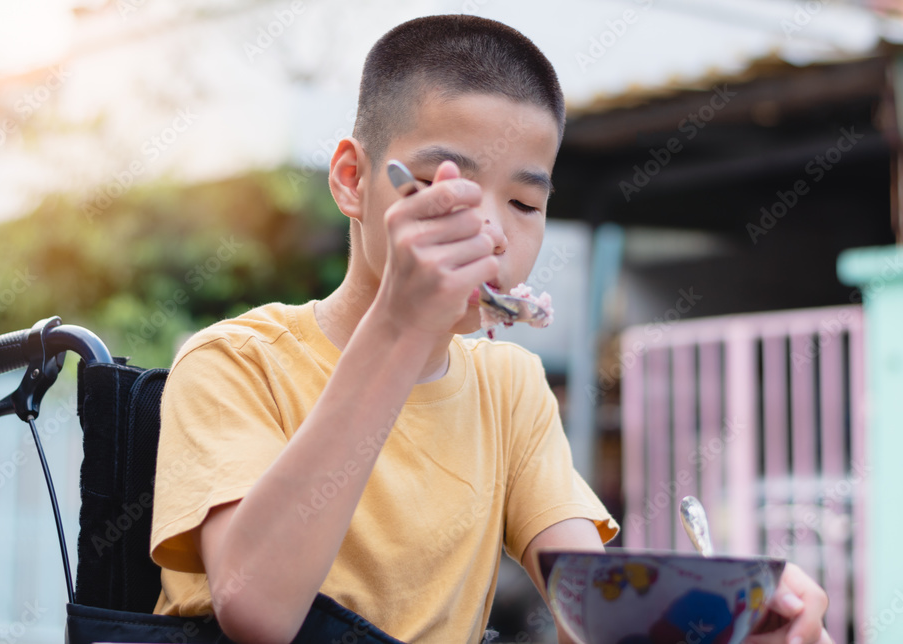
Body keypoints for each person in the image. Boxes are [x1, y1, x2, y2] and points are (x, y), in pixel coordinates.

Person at [148, 14, 831, 644]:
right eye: (452, 188)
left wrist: (725, 613)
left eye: (525, 203)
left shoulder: (509, 386)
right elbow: (255, 609)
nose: (494, 233)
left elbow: (595, 612)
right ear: (353, 179)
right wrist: (400, 328)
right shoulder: (231, 363)